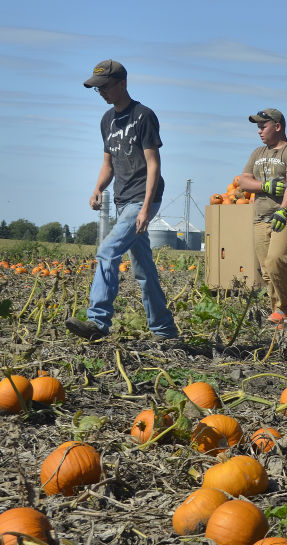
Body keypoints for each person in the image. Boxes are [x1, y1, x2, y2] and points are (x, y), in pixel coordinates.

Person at [67, 59, 179, 341]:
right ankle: (164, 329)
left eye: (105, 87)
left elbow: (154, 164)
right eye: (97, 89)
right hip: (121, 199)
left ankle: (97, 322)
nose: (101, 92)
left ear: (122, 83)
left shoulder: (144, 116)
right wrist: (98, 188)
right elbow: (109, 163)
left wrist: (144, 209)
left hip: (143, 198)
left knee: (107, 251)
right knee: (143, 267)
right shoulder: (106, 120)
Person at [236, 108, 287, 323]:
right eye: (258, 127)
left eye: (263, 126)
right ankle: (279, 313)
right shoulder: (257, 153)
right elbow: (243, 182)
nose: (259, 131)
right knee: (267, 270)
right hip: (260, 217)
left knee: (277, 260)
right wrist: (265, 185)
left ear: (277, 127)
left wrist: (283, 210)